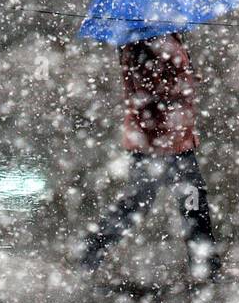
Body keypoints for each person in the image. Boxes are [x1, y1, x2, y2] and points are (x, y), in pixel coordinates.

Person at [81, 32, 221, 289]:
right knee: (147, 202)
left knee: (187, 201)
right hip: (157, 141)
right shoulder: (142, 41)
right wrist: (182, 86)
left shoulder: (166, 34)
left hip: (173, 140)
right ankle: (91, 252)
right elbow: (146, 92)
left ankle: (207, 268)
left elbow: (167, 78)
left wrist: (186, 77)